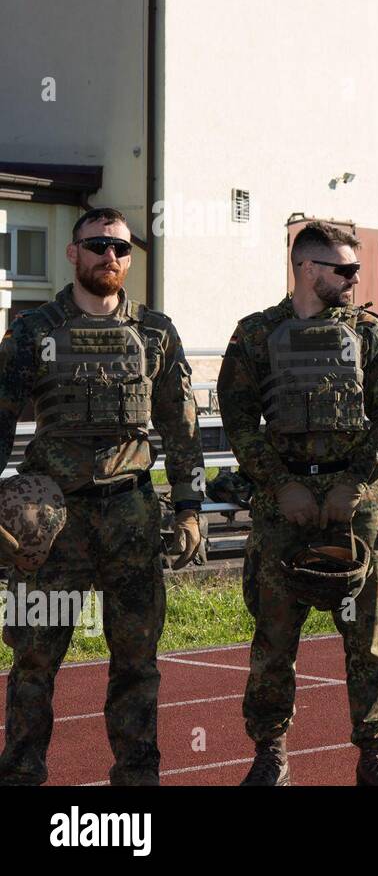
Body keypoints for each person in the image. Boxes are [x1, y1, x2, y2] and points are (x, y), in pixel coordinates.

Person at [0, 207, 205, 786]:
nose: (109, 258)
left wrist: (190, 507)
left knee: (137, 661)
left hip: (131, 517)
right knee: (35, 658)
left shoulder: (155, 333)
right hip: (50, 523)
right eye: (97, 246)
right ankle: (20, 774)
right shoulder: (32, 331)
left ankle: (137, 781)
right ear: (74, 253)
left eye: (120, 249)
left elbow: (181, 427)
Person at [219, 221, 378, 786]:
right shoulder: (256, 335)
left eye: (356, 269)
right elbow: (238, 422)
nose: (354, 278)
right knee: (274, 637)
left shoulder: (368, 334)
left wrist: (359, 484)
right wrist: (280, 484)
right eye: (343, 269)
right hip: (285, 507)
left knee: (367, 637)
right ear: (306, 269)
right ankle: (270, 751)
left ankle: (376, 754)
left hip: (355, 506)